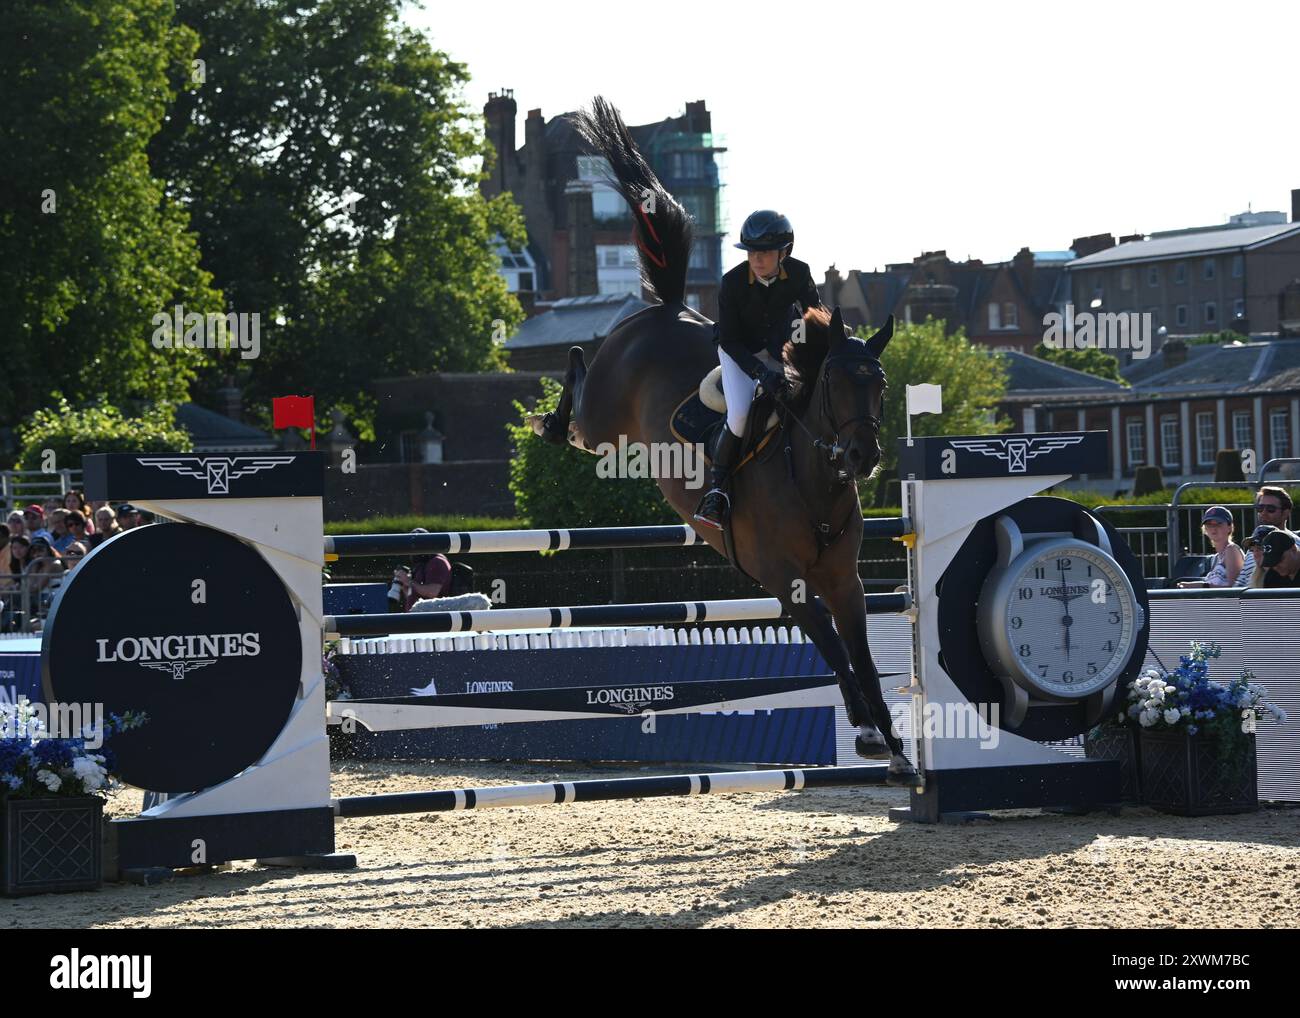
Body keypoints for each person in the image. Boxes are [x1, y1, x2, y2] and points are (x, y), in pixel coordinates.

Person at [693, 210, 823, 531]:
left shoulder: (800, 273)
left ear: (784, 252)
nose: (757, 259)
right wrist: (761, 373)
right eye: (751, 252)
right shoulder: (732, 283)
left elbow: (814, 316)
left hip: (781, 349)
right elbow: (732, 341)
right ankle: (717, 491)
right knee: (739, 415)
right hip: (739, 352)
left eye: (764, 252)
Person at [1238, 486, 1293, 587]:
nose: (1263, 512)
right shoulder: (1254, 539)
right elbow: (1241, 581)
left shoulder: (1293, 545)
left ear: (1285, 513)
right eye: (1260, 508)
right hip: (1248, 599)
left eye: (1270, 509)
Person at [1177, 506, 1243, 588]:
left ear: (1229, 527)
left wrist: (1202, 586)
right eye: (1209, 524)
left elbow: (1234, 589)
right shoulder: (1216, 558)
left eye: (1219, 524)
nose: (1214, 528)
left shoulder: (1231, 549)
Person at [394, 529, 452, 610]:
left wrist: (409, 581)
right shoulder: (421, 564)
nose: (411, 551)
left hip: (434, 618)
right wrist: (405, 587)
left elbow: (433, 592)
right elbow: (416, 596)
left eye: (414, 546)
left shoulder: (437, 562)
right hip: (418, 616)